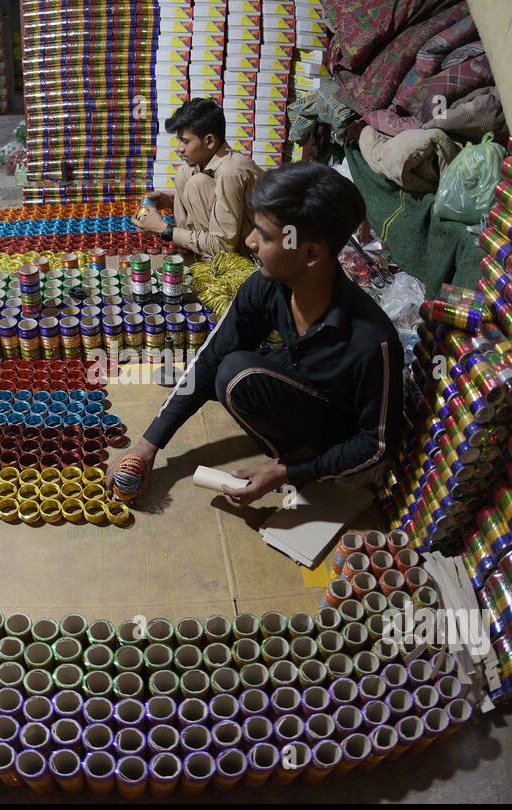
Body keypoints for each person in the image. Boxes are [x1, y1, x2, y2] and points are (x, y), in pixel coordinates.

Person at [111, 161, 404, 506]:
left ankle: (305, 458)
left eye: (264, 234)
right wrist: (149, 446)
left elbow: (377, 444)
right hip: (300, 390)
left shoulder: (372, 340)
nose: (249, 241)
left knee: (238, 374)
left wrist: (289, 472)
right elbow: (210, 358)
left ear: (310, 253)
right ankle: (299, 451)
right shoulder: (267, 286)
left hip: (338, 431)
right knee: (225, 369)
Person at [133, 98, 263, 261]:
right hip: (228, 241)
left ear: (209, 141)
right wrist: (170, 201)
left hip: (249, 255)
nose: (179, 148)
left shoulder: (231, 172)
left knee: (197, 182)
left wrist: (165, 230)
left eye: (185, 141)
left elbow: (224, 246)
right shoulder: (202, 163)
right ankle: (196, 252)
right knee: (184, 174)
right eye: (179, 140)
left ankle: (211, 261)